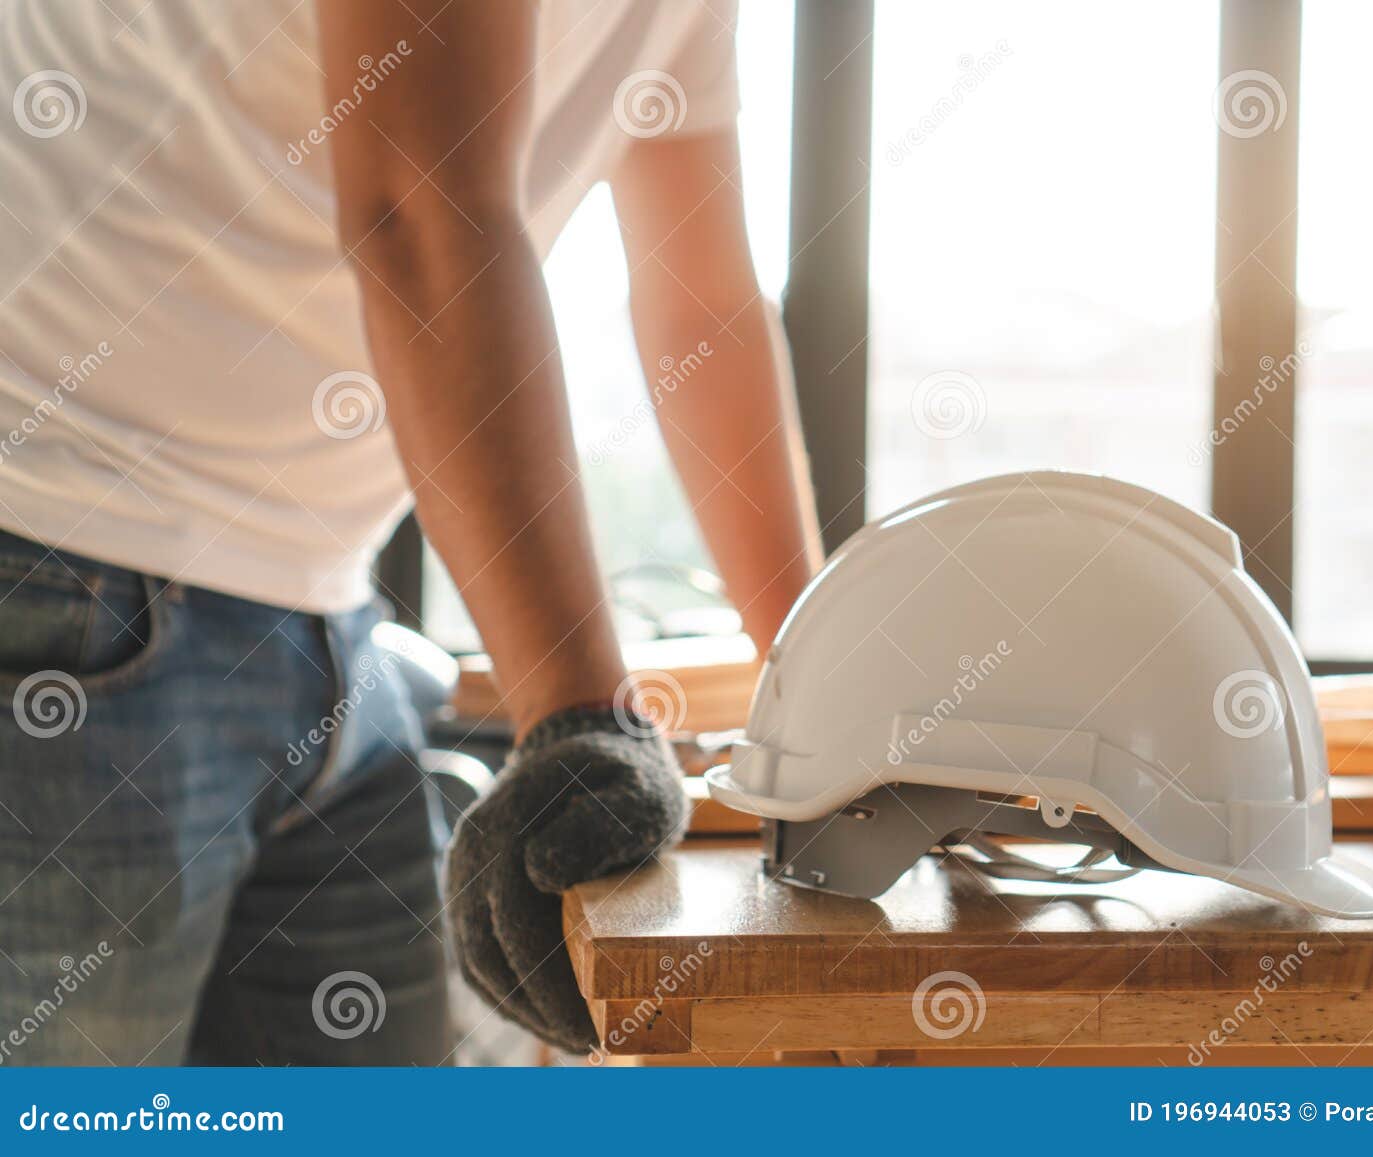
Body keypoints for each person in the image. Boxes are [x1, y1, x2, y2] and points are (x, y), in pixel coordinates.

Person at [0, 0, 819, 1064]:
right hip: (53, 554)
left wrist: (819, 687)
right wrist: (579, 723)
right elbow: (421, 213)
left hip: (320, 611)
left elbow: (702, 312)